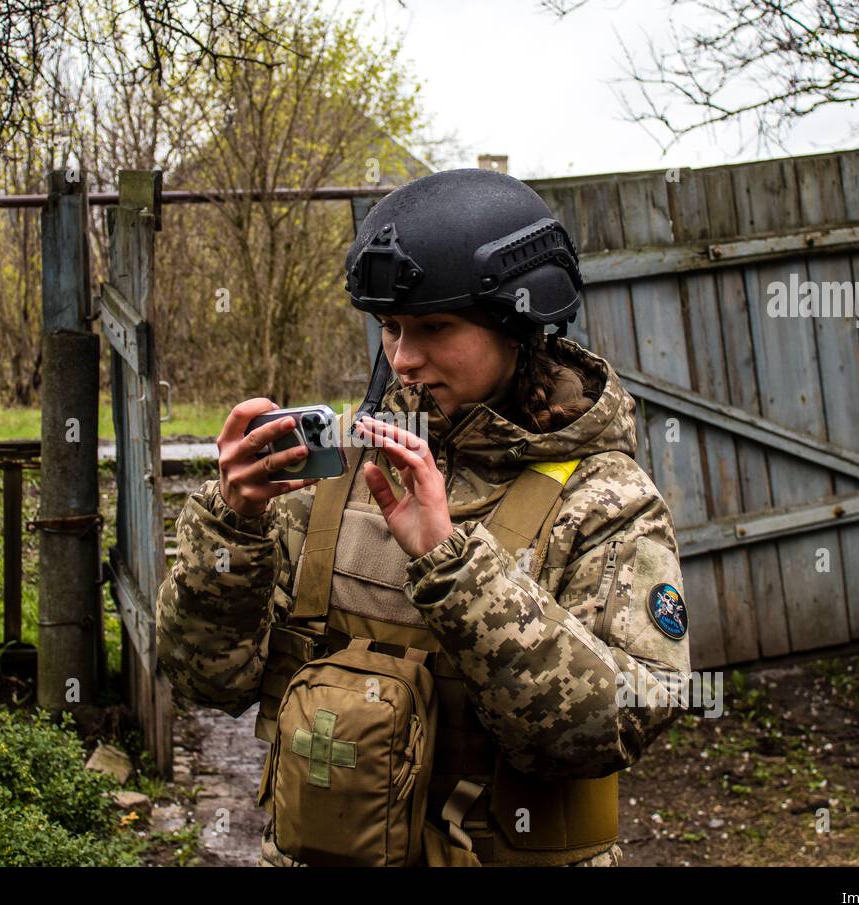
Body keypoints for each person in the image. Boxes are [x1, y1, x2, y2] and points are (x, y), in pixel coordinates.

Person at [155, 168, 691, 867]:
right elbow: (206, 682)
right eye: (390, 328)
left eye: (436, 327)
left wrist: (454, 567)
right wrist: (232, 527)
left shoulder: (605, 500)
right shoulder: (343, 473)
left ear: (520, 325)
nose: (404, 360)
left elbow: (611, 727)